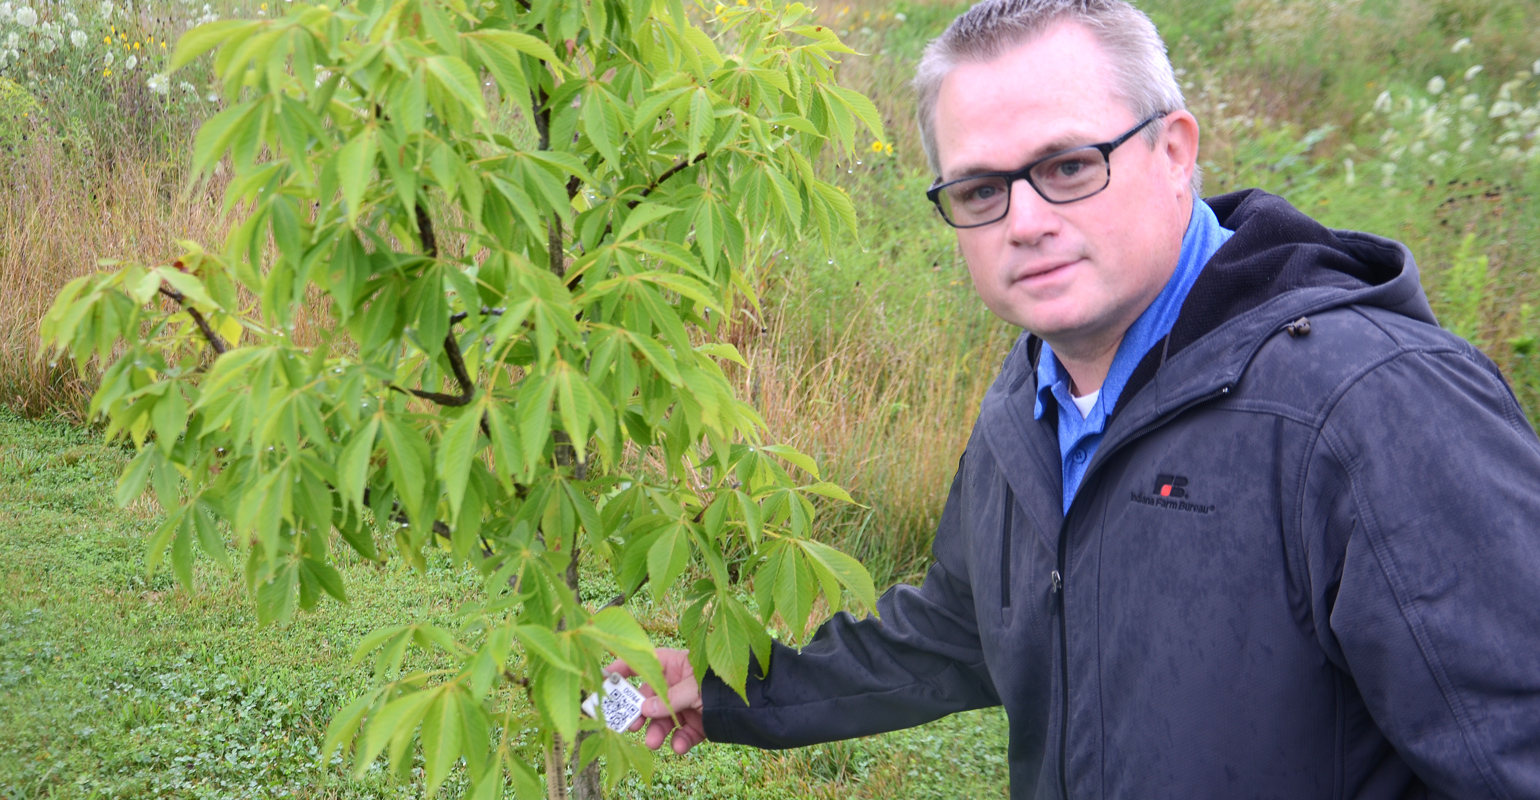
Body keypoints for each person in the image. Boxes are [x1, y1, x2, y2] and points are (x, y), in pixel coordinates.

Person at [609, 1, 1540, 796]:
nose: (1025, 221)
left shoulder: (1372, 407)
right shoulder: (1032, 396)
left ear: (1175, 153)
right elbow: (961, 631)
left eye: (1066, 167)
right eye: (979, 188)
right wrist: (727, 690)